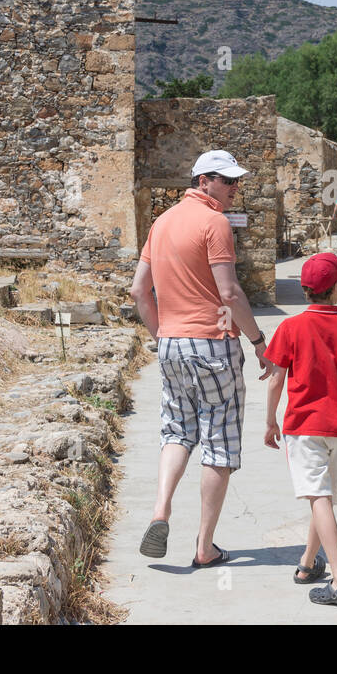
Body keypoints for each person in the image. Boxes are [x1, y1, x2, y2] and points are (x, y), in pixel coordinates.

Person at [129, 149, 273, 568]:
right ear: (203, 181)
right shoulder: (215, 223)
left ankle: (161, 509)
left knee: (176, 430)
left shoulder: (161, 223)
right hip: (213, 344)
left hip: (171, 343)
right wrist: (259, 342)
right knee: (220, 442)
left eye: (236, 181)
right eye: (227, 181)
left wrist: (163, 336)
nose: (234, 189)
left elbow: (140, 291)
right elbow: (229, 294)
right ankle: (204, 547)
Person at [264, 252, 337, 606]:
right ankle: (308, 564)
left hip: (303, 427)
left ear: (304, 290)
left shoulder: (290, 328)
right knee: (322, 496)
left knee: (319, 496)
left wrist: (270, 421)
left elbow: (275, 380)